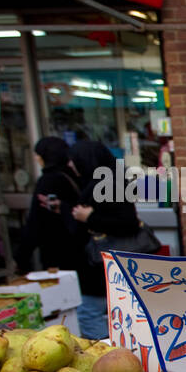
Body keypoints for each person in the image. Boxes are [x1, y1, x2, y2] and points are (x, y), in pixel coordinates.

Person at [68, 139, 141, 340]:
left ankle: (111, 357)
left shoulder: (107, 185)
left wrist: (89, 218)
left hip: (102, 267)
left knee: (91, 316)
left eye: (74, 160)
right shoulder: (107, 181)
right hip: (105, 267)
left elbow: (127, 221)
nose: (70, 165)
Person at [14, 137, 81, 276]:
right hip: (80, 247)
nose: (36, 158)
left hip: (57, 249)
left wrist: (21, 256)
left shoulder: (48, 181)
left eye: (38, 154)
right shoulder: (76, 175)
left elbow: (36, 221)